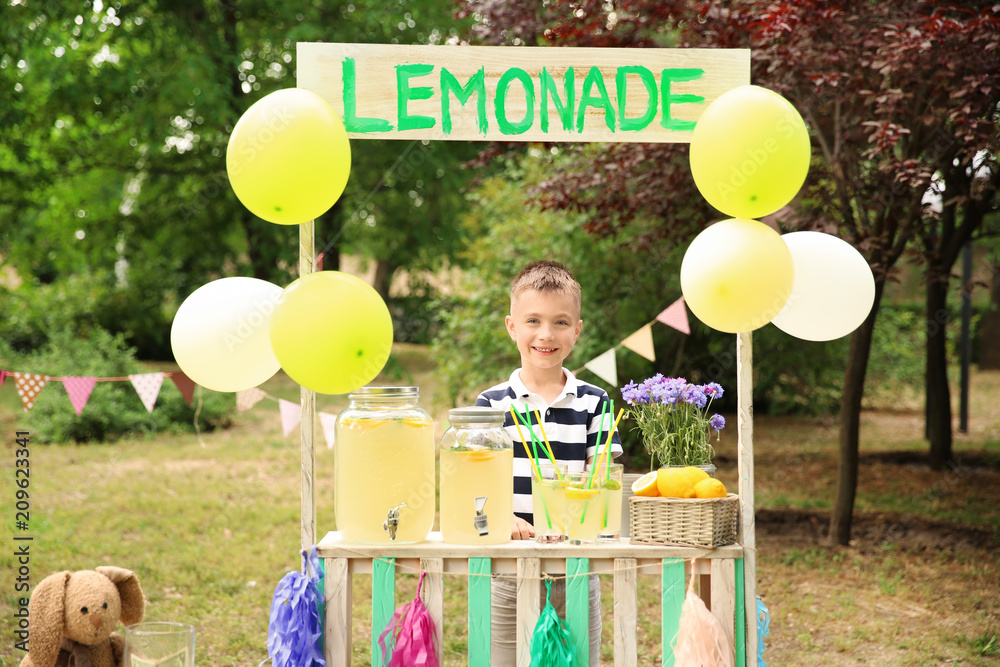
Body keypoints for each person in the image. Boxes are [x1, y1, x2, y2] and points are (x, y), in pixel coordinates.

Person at [475, 260, 621, 666]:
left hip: (576, 569)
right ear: (512, 327)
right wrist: (499, 517)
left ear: (576, 329)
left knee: (577, 660)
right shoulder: (491, 405)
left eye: (560, 322)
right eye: (533, 320)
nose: (545, 334)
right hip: (506, 567)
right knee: (505, 658)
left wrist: (582, 515)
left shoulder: (596, 402)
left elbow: (604, 480)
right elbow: (476, 490)